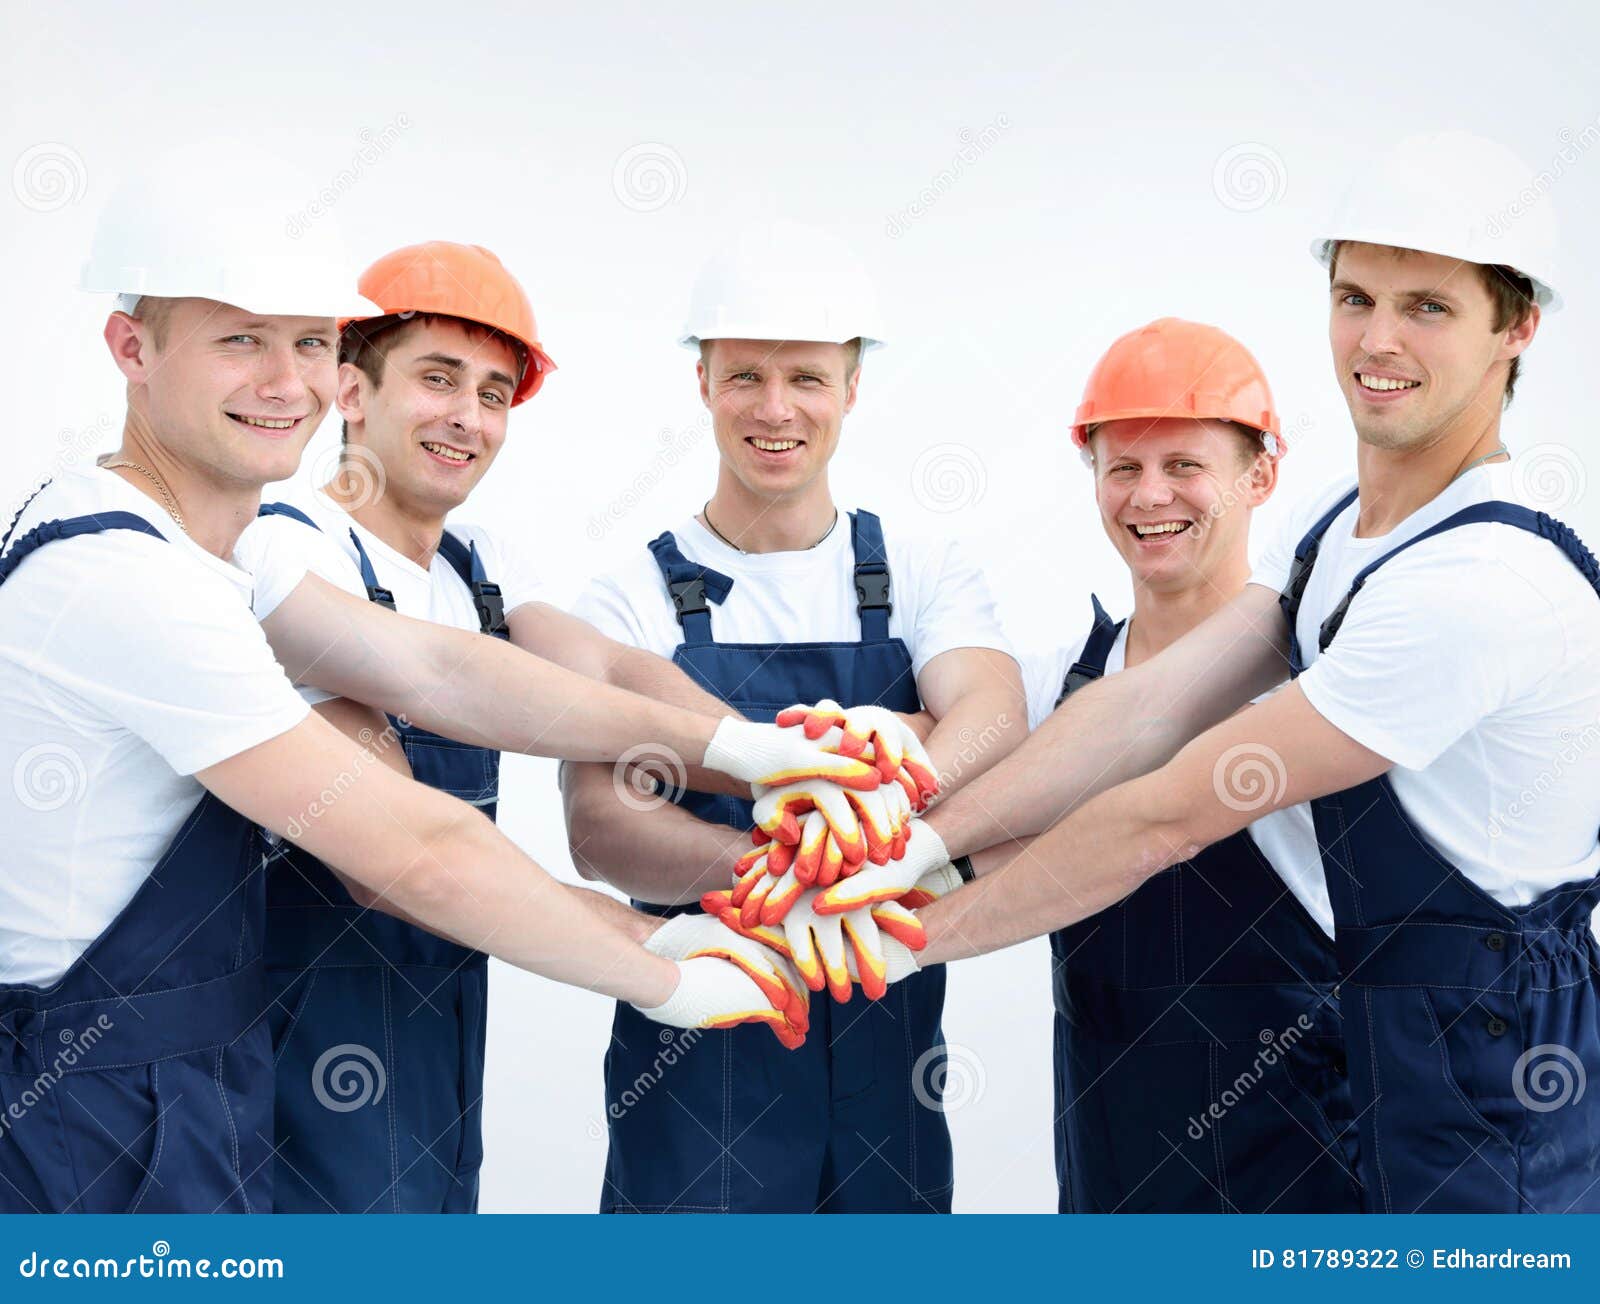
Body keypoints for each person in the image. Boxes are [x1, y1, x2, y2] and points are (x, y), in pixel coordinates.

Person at [759, 131, 1600, 1215]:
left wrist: (893, 937)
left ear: (1517, 325)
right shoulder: (1341, 533)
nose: (1376, 339)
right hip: (1389, 1091)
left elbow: (1163, 814)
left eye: (1427, 307)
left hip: (1492, 1114)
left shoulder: (1475, 584)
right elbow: (1147, 708)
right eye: (1355, 297)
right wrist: (917, 839)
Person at [0, 155, 856, 1215]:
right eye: (239, 340)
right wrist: (663, 972)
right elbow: (412, 849)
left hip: (199, 1073)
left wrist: (746, 750)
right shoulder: (132, 579)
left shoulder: (225, 552)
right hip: (97, 1107)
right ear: (131, 346)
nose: (286, 380)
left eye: (308, 340)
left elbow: (442, 669)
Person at [233, 241, 818, 1214]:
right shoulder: (289, 553)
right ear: (349, 387)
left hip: (441, 1034)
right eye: (437, 377)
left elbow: (609, 673)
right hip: (298, 1041)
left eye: (495, 392)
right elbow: (399, 864)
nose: (468, 417)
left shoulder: (479, 566)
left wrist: (796, 774)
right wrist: (648, 955)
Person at [562, 220, 1026, 1213]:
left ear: (853, 387)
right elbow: (599, 827)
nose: (775, 410)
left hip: (887, 1060)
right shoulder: (629, 594)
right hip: (695, 1058)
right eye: (744, 376)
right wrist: (791, 878)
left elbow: (992, 718)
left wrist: (887, 831)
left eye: (807, 378)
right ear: (702, 382)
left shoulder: (919, 568)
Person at [1017, 319, 1358, 1212]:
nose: (1147, 494)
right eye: (1121, 467)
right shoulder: (1058, 684)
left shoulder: (1327, 682)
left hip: (1305, 1172)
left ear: (1263, 474)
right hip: (1110, 1176)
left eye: (1184, 465)